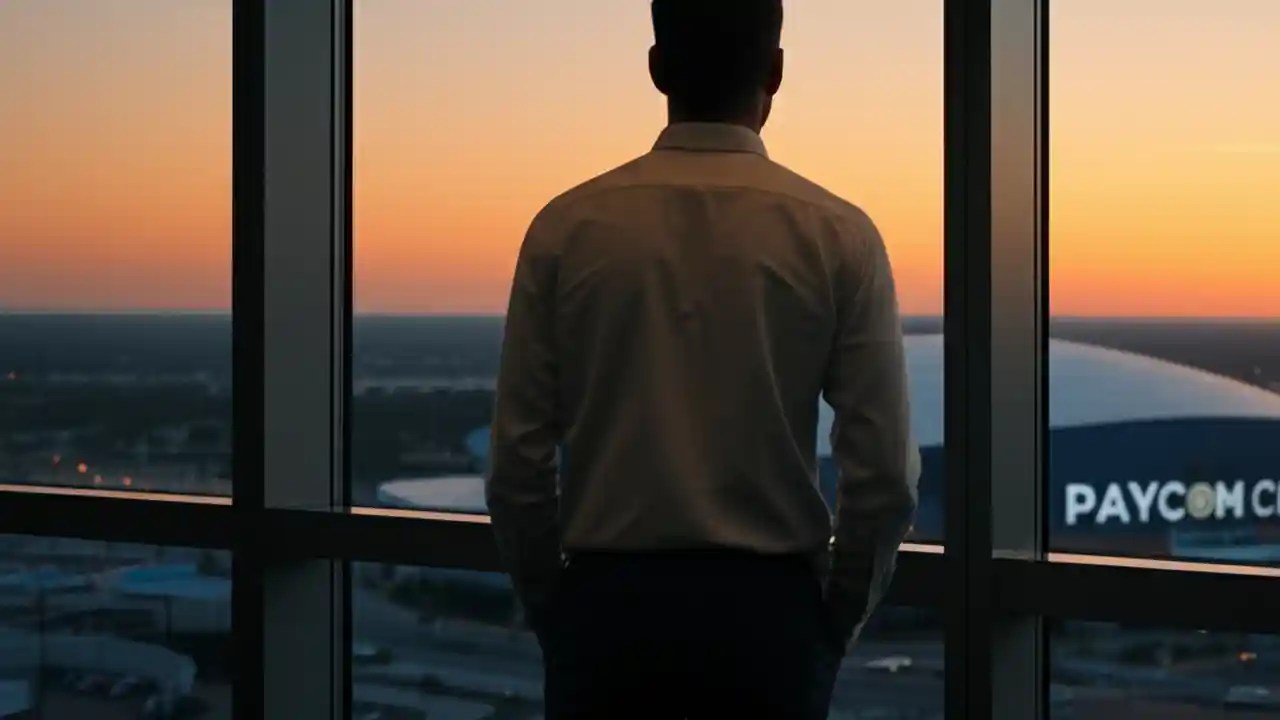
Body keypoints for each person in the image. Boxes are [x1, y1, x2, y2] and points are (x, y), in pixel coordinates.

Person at [486, 0, 919, 717]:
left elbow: (518, 466)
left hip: (607, 613)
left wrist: (556, 611)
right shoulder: (837, 234)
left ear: (657, 69)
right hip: (768, 623)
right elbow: (885, 479)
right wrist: (830, 620)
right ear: (776, 73)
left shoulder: (568, 228)